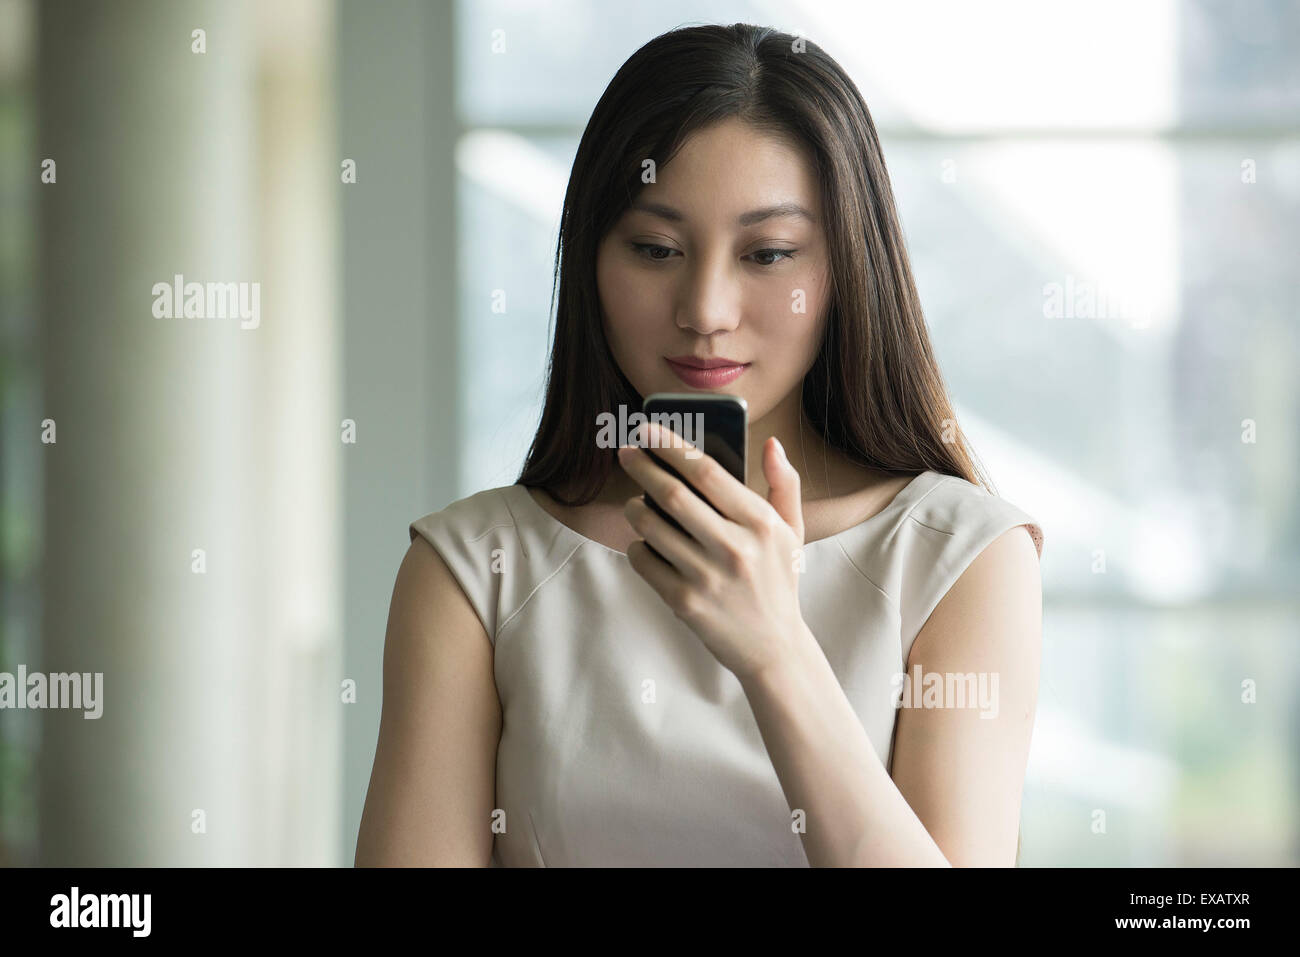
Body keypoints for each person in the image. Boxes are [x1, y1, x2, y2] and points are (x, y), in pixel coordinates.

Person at [355, 22, 1044, 867]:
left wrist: (776, 649)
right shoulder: (473, 570)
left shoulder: (959, 558)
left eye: (768, 252)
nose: (706, 308)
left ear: (846, 271)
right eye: (655, 248)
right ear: (589, 258)